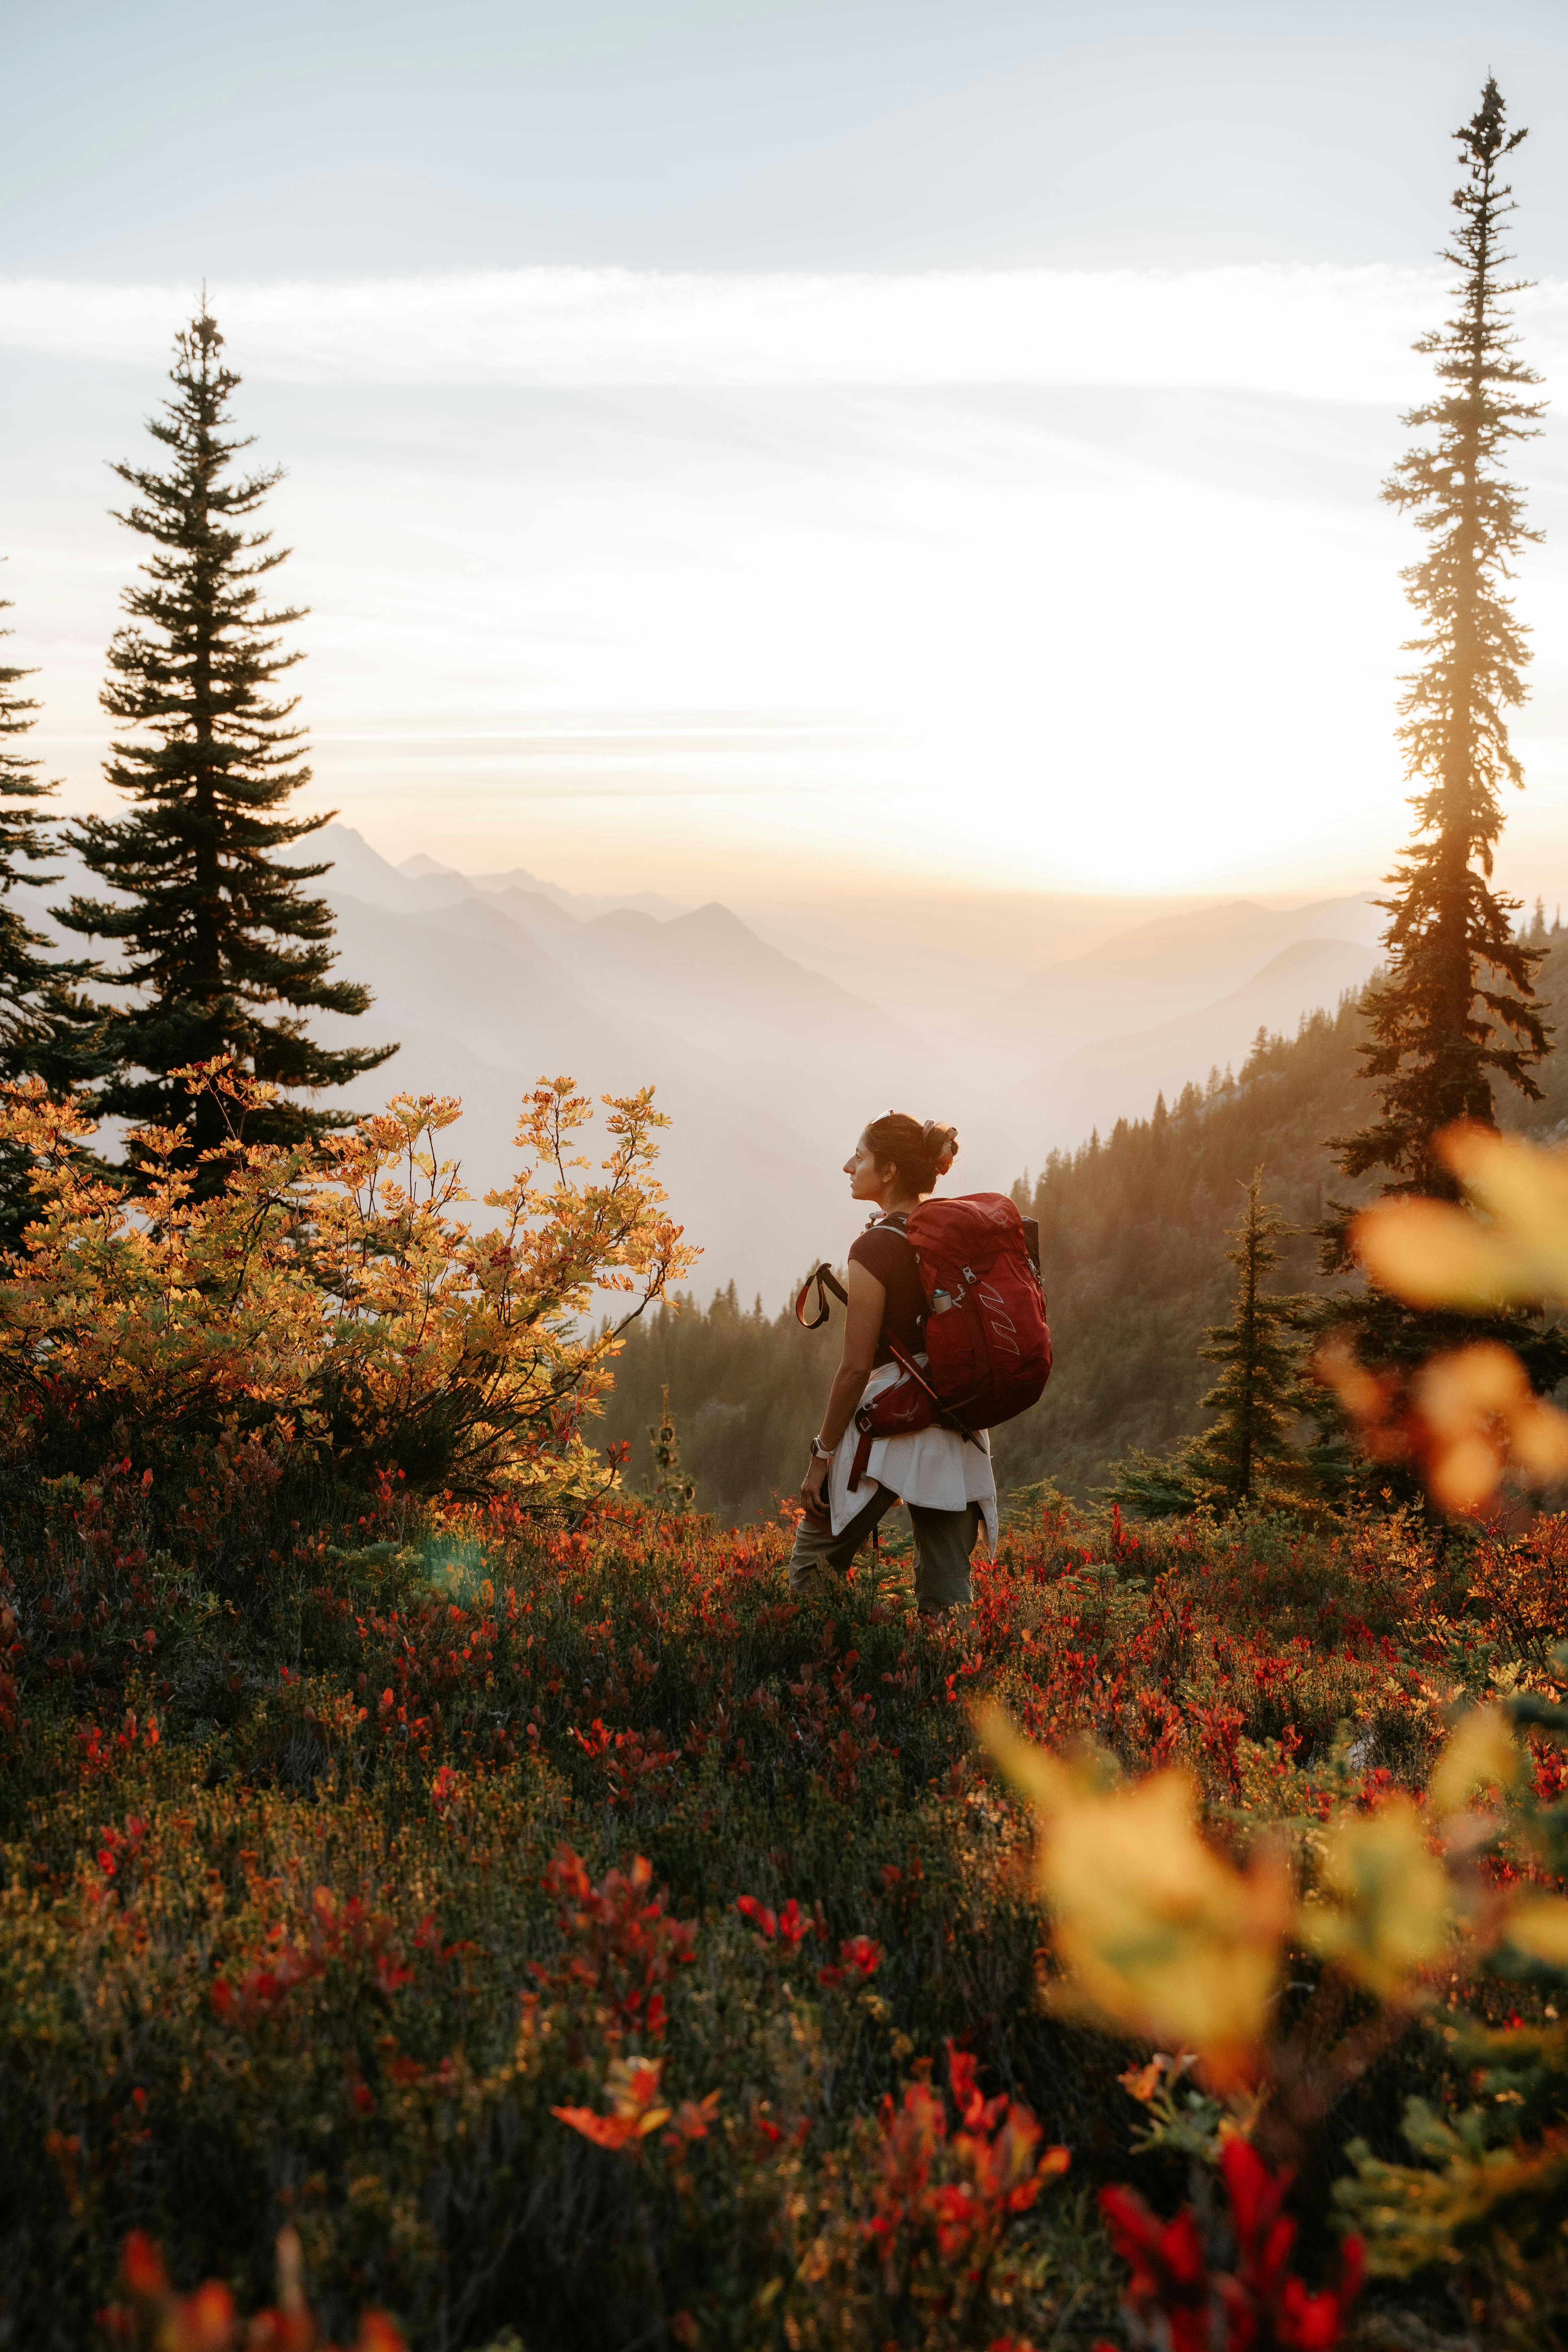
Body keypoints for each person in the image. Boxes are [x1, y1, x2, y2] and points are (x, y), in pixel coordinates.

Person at [791, 1112, 997, 1614]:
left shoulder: (875, 1247)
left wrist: (821, 1456)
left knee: (811, 1572)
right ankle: (945, 1668)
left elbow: (855, 1369)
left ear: (888, 1172)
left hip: (887, 1425)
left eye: (859, 1157)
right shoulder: (952, 1240)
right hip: (957, 1427)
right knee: (947, 1600)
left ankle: (817, 1665)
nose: (848, 1166)